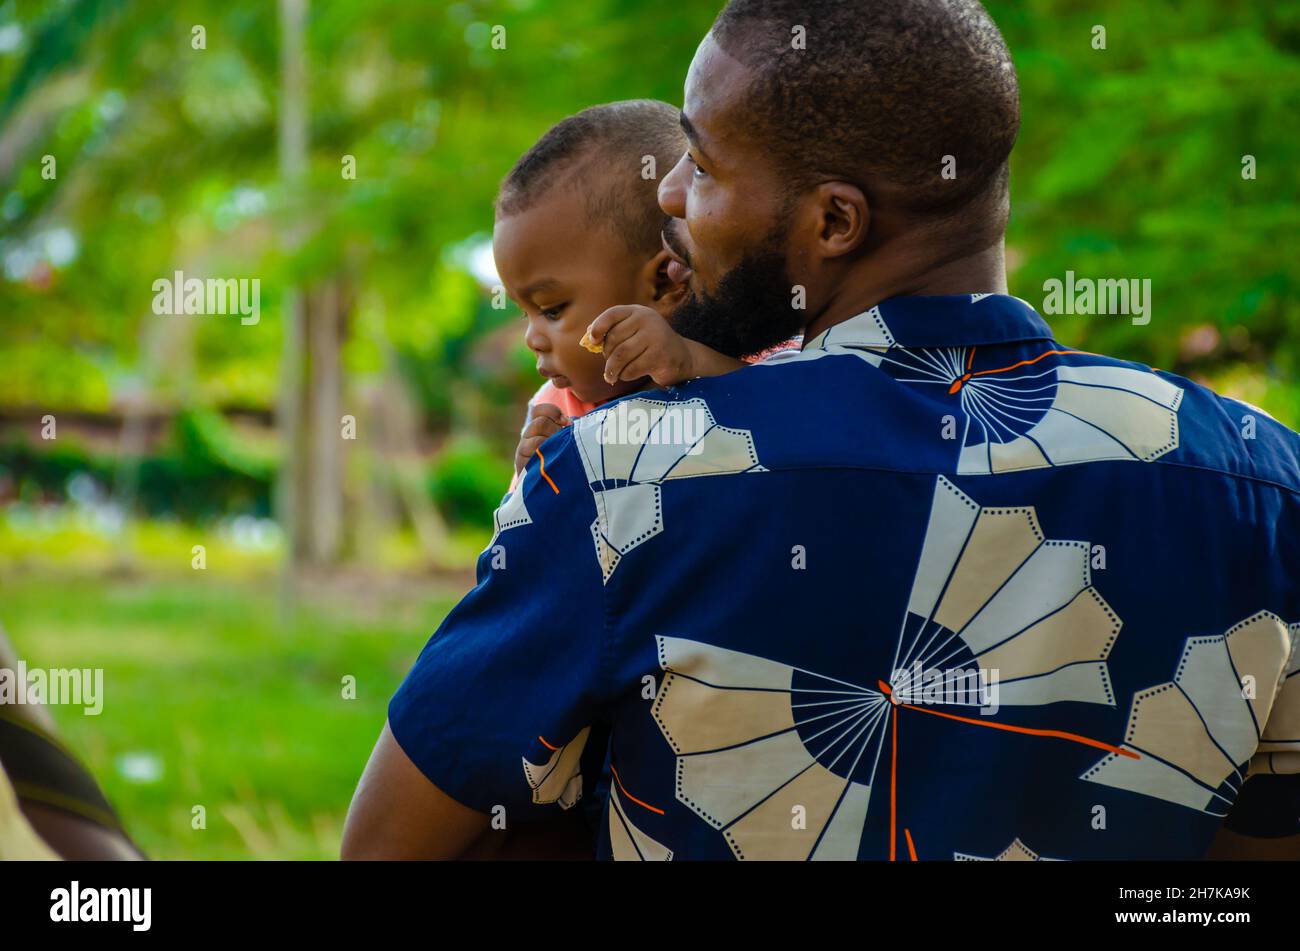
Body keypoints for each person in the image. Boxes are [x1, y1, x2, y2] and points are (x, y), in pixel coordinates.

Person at [344, 0, 1300, 860]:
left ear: (834, 221)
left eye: (703, 165)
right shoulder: (1264, 482)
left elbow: (388, 844)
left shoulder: (624, 477)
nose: (668, 193)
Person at [496, 99, 797, 496]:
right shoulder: (554, 409)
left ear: (662, 283)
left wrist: (693, 362)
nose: (532, 338)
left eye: (551, 310)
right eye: (526, 313)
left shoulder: (756, 358)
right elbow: (527, 519)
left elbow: (794, 418)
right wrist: (536, 475)